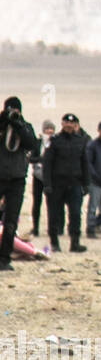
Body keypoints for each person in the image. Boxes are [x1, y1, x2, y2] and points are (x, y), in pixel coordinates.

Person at [42, 113, 91, 253]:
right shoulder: (55, 141)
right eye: (66, 123)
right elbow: (48, 163)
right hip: (57, 184)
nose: (69, 125)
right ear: (62, 124)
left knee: (75, 213)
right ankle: (54, 243)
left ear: (75, 125)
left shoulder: (80, 140)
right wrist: (47, 184)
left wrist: (87, 183)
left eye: (72, 123)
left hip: (75, 183)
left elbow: (85, 163)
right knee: (54, 214)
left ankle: (75, 243)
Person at [0, 96, 39, 271]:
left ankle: (4, 257)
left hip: (16, 180)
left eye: (14, 111)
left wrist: (17, 124)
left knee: (10, 221)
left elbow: (32, 144)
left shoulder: (25, 127)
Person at [28, 119, 54, 238]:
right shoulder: (38, 143)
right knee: (36, 203)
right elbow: (31, 159)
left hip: (51, 177)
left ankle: (52, 228)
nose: (49, 131)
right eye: (47, 129)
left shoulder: (55, 143)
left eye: (51, 129)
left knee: (51, 204)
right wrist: (40, 159)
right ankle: (36, 227)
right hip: (38, 176)